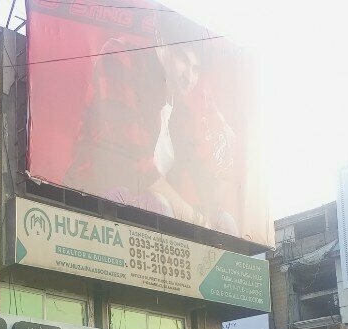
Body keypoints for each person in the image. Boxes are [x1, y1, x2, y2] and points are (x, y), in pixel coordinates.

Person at [64, 12, 239, 236]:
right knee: (160, 207)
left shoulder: (181, 108)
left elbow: (195, 173)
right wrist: (191, 214)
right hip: (96, 195)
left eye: (196, 69)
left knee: (225, 222)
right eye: (183, 60)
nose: (189, 76)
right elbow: (131, 154)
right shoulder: (122, 56)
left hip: (158, 214)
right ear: (161, 42)